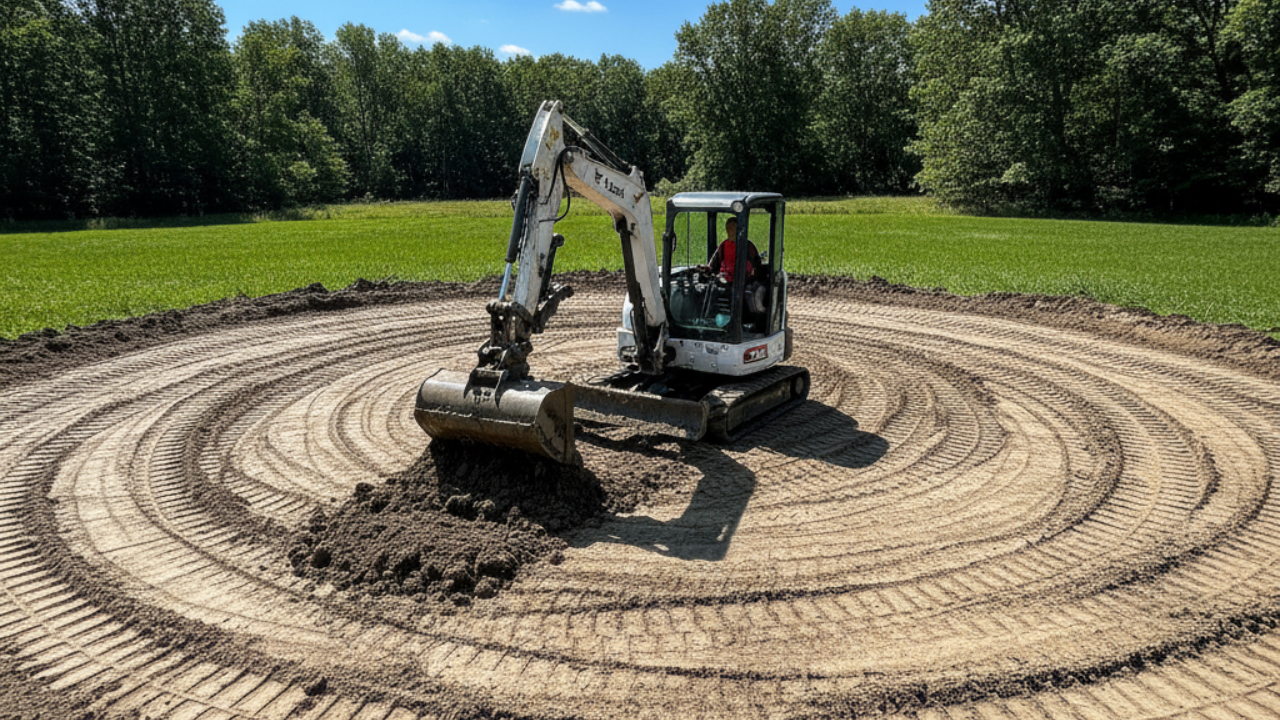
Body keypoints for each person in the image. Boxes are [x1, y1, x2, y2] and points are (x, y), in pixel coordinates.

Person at [707, 217, 760, 284]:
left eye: (733, 228)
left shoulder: (748, 246)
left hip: (743, 283)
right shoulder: (723, 246)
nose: (730, 230)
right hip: (724, 281)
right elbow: (712, 265)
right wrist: (706, 269)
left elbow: (756, 266)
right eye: (728, 228)